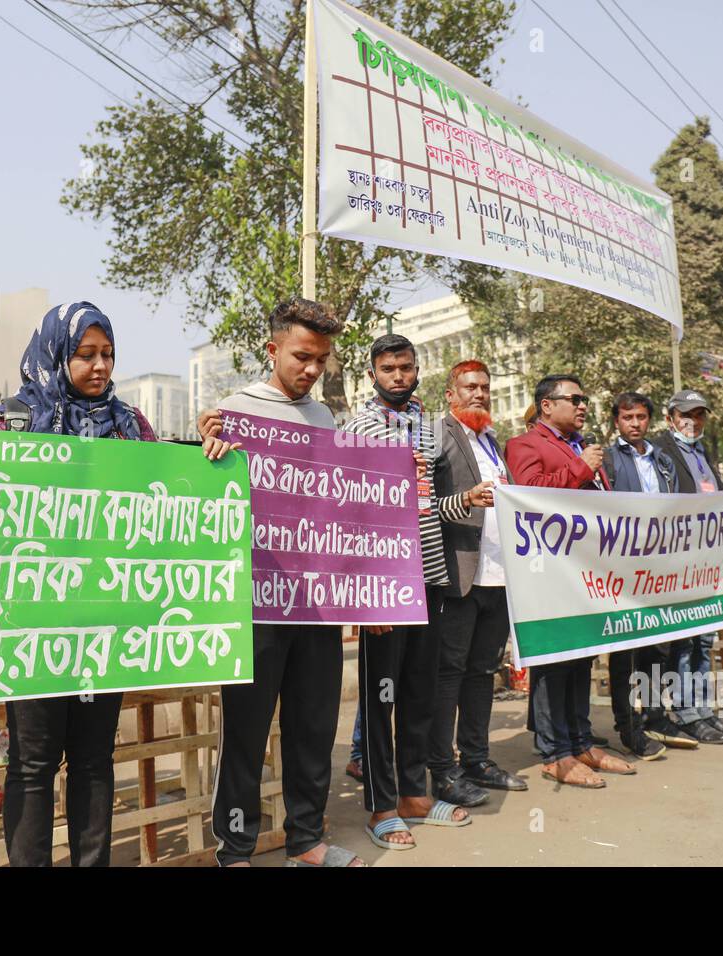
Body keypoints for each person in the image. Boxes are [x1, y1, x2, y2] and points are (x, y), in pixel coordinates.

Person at [0, 301, 158, 867]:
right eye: (85, 354)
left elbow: (167, 506)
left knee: (95, 759)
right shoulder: (10, 424)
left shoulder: (131, 427)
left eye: (108, 354)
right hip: (31, 625)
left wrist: (213, 460)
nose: (100, 366)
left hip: (105, 621)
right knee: (32, 761)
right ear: (54, 354)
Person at [198, 298, 364, 868]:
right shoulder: (232, 411)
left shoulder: (326, 420)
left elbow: (342, 509)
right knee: (245, 730)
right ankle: (236, 848)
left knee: (314, 726)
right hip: (254, 603)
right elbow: (204, 496)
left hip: (315, 604)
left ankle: (307, 840)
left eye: (321, 360)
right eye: (302, 356)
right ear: (273, 349)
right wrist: (208, 453)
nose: (312, 369)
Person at [342, 333, 470, 850]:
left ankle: (415, 794)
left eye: (405, 367)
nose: (398, 375)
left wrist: (465, 501)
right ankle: (379, 806)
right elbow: (350, 504)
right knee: (380, 697)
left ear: (418, 370)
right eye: (388, 368)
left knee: (420, 692)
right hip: (383, 579)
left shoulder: (431, 430)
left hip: (430, 574)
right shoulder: (358, 426)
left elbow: (432, 507)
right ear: (373, 374)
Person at [505, 376, 637, 788]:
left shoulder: (581, 446)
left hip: (586, 572)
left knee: (583, 656)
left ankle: (581, 741)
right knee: (554, 662)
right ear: (546, 406)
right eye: (574, 399)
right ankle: (555, 752)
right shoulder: (523, 445)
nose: (582, 406)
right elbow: (530, 493)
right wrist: (582, 468)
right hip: (549, 573)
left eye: (584, 400)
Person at [429, 360, 529, 806]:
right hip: (457, 574)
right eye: (470, 387)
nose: (480, 394)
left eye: (485, 387)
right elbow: (425, 503)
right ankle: (441, 770)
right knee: (447, 675)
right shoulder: (437, 435)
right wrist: (464, 499)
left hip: (497, 576)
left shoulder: (491, 441)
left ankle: (476, 759)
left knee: (482, 673)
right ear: (451, 394)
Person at [651, 390, 723, 743]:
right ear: (670, 417)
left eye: (699, 415)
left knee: (705, 640)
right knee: (684, 640)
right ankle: (685, 711)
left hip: (707, 562)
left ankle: (704, 709)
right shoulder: (659, 450)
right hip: (678, 561)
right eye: (685, 414)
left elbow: (714, 494)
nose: (692, 421)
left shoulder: (702, 452)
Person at [599, 392, 677, 757]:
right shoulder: (609, 460)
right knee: (626, 651)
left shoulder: (662, 459)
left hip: (661, 566)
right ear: (617, 420)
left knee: (658, 646)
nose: (635, 423)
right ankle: (628, 726)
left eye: (641, 417)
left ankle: (656, 715)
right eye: (628, 417)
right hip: (625, 569)